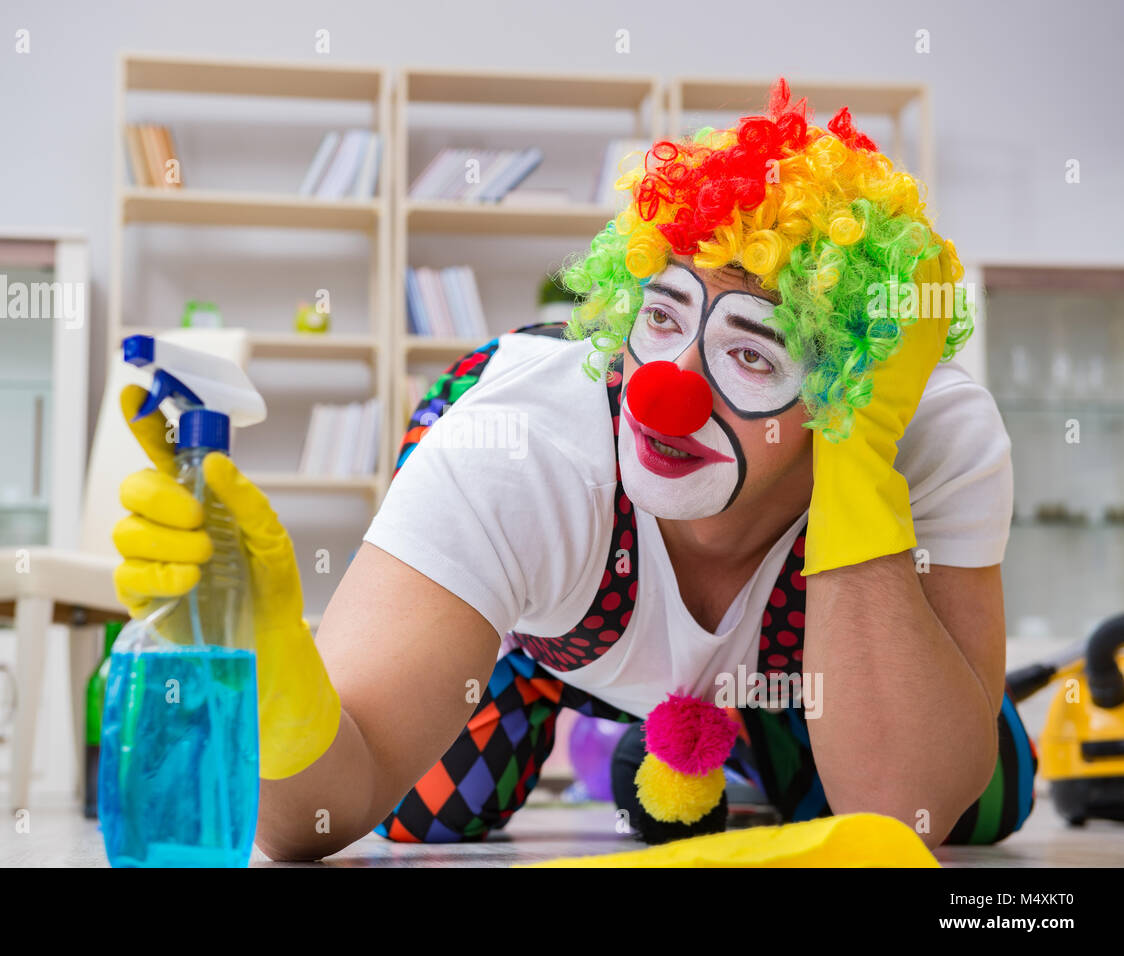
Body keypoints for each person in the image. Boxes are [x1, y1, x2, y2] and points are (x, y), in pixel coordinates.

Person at [111, 79, 1035, 861]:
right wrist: (266, 658)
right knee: (432, 813)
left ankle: (707, 738)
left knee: (987, 802)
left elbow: (906, 814)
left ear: (844, 390)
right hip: (556, 629)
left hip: (790, 667)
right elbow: (311, 820)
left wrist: (861, 453)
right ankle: (531, 666)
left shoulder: (925, 431)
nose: (663, 395)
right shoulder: (520, 447)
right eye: (661, 319)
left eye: (754, 358)